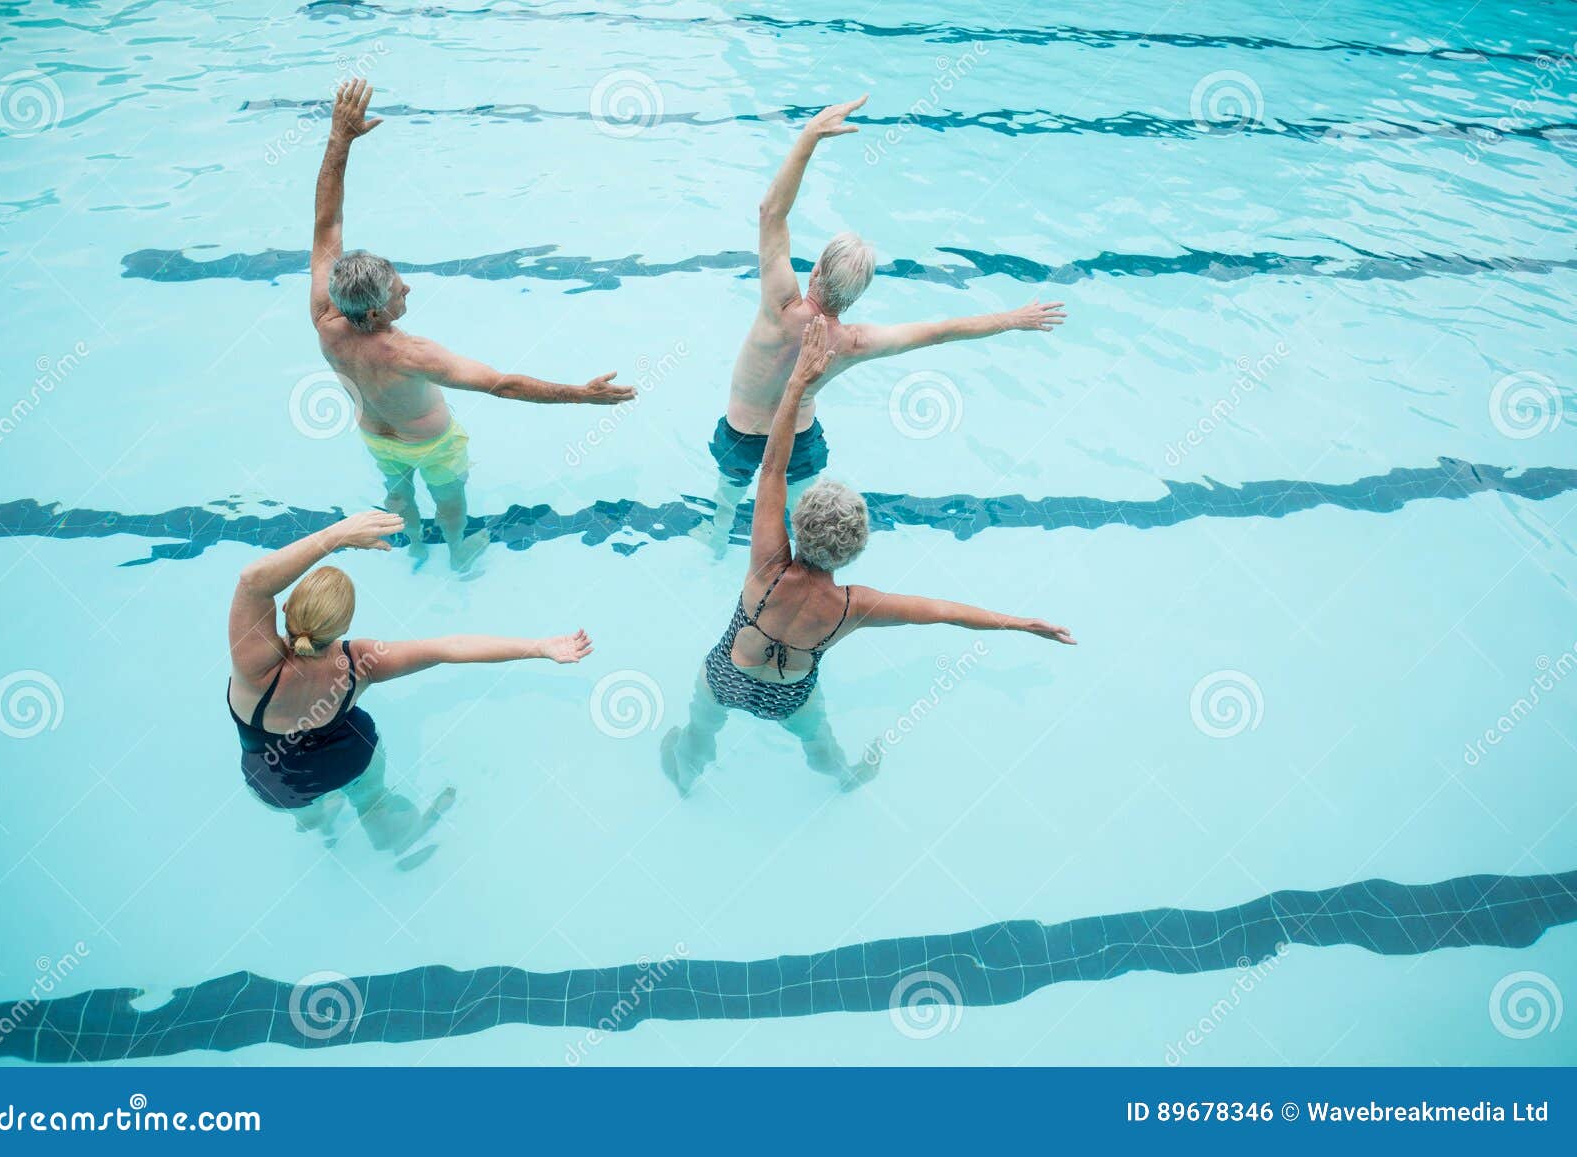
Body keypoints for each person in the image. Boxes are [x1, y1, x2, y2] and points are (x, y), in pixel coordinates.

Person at [663, 322, 1076, 795]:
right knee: (818, 742)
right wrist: (1021, 624)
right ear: (856, 549)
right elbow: (943, 612)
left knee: (699, 730)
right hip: (788, 696)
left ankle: (686, 771)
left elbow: (773, 467)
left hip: (726, 676)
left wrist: (797, 384)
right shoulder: (853, 607)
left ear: (797, 524)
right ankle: (843, 776)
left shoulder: (767, 567)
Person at [696, 94, 1067, 555]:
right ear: (856, 297)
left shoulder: (780, 304)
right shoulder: (854, 342)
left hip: (742, 434)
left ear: (816, 271)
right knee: (805, 522)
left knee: (726, 503)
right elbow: (941, 331)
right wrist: (1012, 318)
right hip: (799, 442)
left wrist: (810, 137)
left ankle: (715, 543)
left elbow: (771, 212)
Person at [309, 80, 636, 574]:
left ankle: (414, 547)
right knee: (450, 502)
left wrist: (339, 140)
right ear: (374, 313)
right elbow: (502, 385)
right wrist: (581, 395)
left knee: (397, 496)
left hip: (376, 437)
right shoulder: (412, 355)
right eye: (397, 290)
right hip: (432, 445)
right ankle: (458, 549)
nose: (408, 289)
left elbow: (326, 223)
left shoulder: (325, 318)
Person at [227, 509, 593, 861]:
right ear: (344, 627)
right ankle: (396, 841)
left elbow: (253, 581)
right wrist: (539, 647)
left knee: (307, 815)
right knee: (373, 803)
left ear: (286, 608)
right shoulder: (360, 663)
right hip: (352, 760)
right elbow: (450, 648)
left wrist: (337, 534)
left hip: (281, 781)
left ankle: (322, 828)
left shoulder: (255, 667)